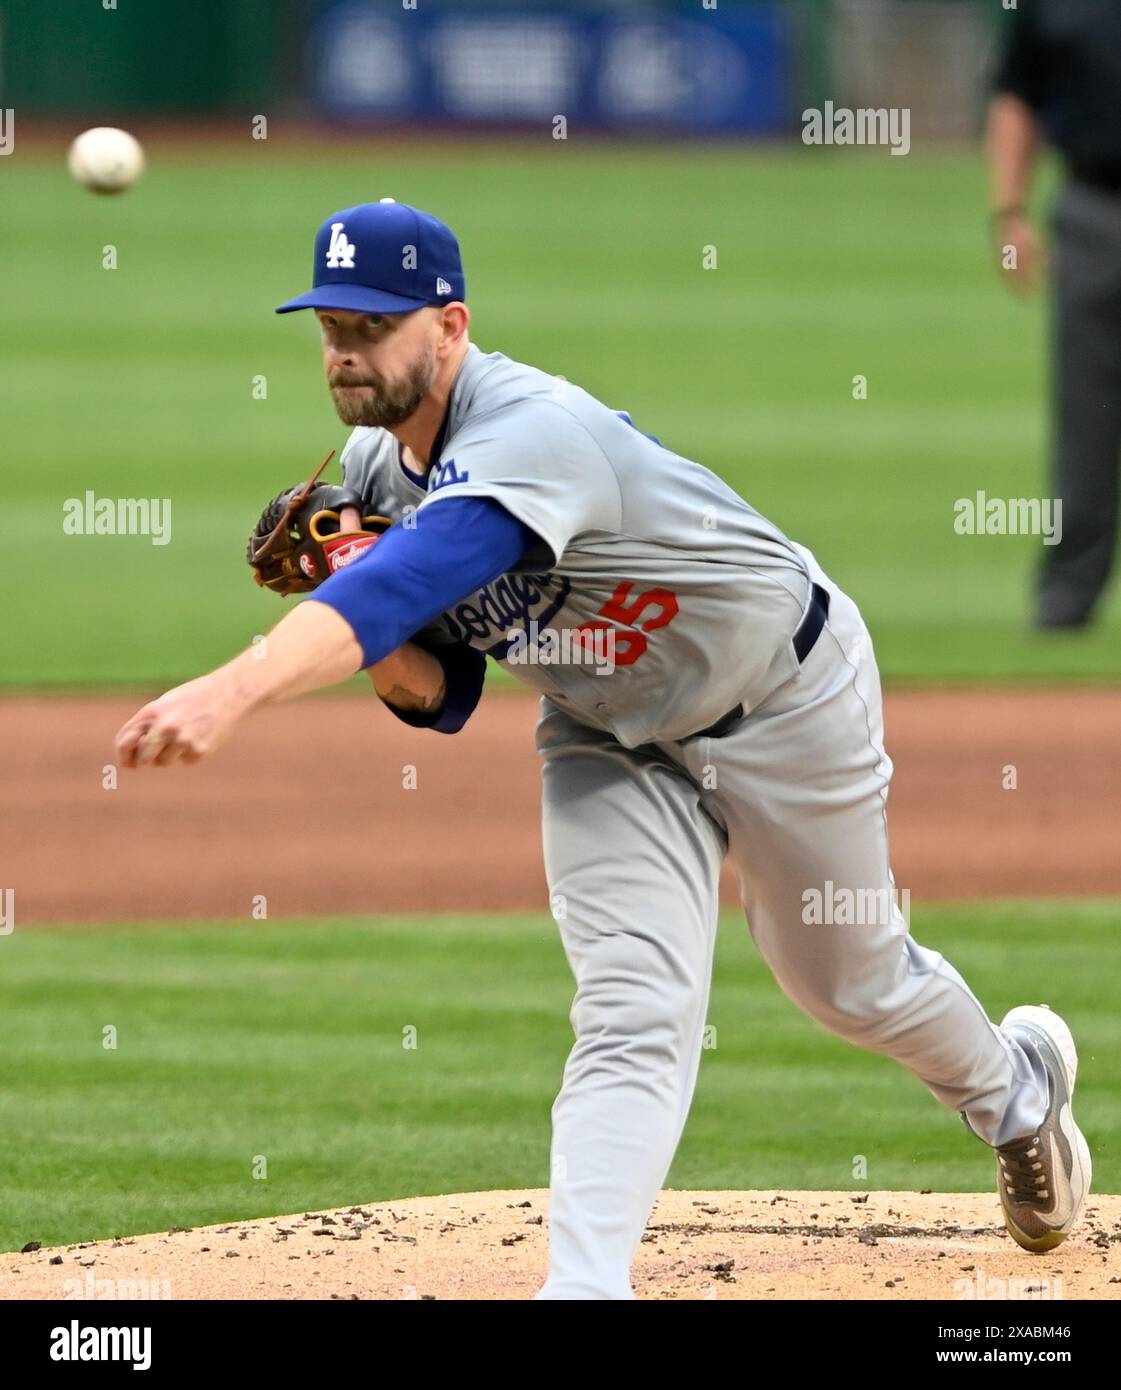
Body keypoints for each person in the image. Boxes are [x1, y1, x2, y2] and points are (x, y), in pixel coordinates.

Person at [116, 201, 1091, 1298]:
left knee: (848, 986)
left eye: (374, 326)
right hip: (606, 732)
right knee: (631, 1005)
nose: (346, 351)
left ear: (448, 325)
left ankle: (1017, 1093)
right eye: (333, 325)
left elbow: (415, 575)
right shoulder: (375, 469)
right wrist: (361, 607)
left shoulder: (528, 432)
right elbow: (442, 691)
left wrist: (238, 683)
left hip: (782, 695)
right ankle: (583, 1287)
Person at [988, 1, 1121, 628]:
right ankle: (1066, 603)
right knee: (1086, 416)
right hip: (1093, 206)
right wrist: (1010, 213)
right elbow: (1017, 94)